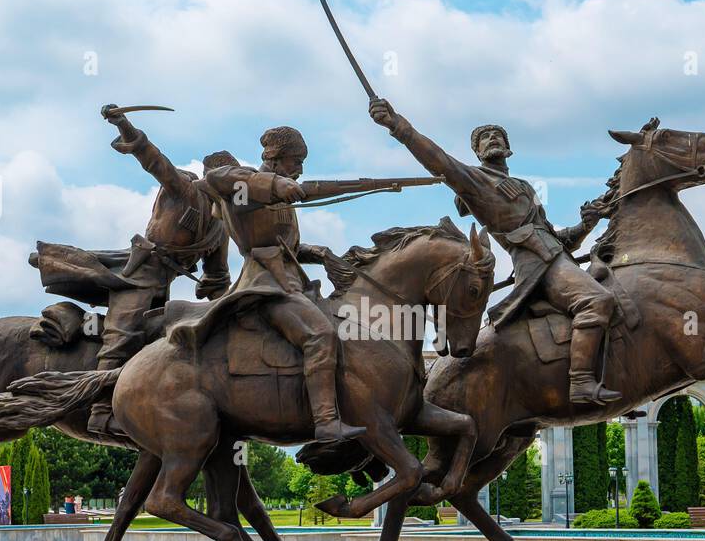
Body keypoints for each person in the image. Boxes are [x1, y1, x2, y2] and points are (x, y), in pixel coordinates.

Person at [368, 98, 621, 405]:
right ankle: (581, 381)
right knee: (597, 301)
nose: (492, 139)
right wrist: (399, 126)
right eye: (483, 138)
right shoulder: (476, 181)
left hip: (555, 257)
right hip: (538, 268)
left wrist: (585, 226)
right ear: (477, 153)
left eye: (497, 135)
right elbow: (439, 160)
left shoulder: (524, 187)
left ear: (508, 147)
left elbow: (552, 236)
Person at [29, 106, 234, 437]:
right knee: (123, 335)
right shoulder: (184, 190)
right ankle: (98, 410)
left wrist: (226, 310)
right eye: (228, 180)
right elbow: (155, 161)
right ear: (213, 178)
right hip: (138, 275)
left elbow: (217, 279)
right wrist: (126, 126)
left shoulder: (221, 227)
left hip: (162, 288)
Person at [173, 125, 367, 443]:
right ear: (274, 160)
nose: (301, 169)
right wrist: (275, 183)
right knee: (320, 335)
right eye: (295, 161)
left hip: (292, 282)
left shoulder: (279, 196)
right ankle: (327, 423)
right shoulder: (243, 186)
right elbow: (215, 178)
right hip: (265, 287)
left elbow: (286, 248)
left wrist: (323, 253)